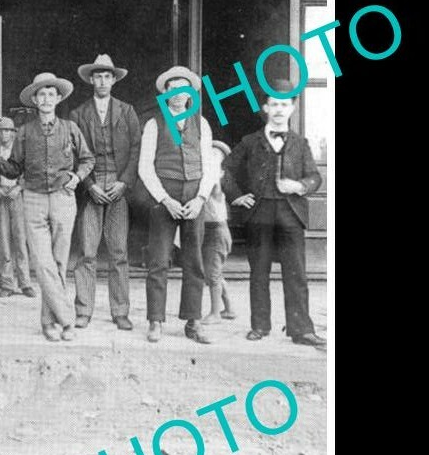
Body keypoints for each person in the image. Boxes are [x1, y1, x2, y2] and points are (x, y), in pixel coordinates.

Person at [0, 72, 94, 342]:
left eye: (51, 94)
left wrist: (77, 177)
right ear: (34, 100)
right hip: (33, 199)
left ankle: (48, 323)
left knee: (58, 263)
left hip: (62, 199)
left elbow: (87, 159)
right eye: (41, 94)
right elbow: (13, 170)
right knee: (42, 263)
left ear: (58, 98)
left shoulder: (70, 129)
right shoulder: (23, 133)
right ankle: (67, 320)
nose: (46, 99)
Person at [221, 85, 326, 348]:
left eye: (284, 105)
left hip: (291, 214)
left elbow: (315, 177)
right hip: (259, 213)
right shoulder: (250, 142)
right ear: (265, 108)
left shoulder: (301, 143)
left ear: (291, 108)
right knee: (259, 272)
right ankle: (259, 325)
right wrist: (237, 196)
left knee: (297, 273)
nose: (279, 110)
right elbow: (226, 169)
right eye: (274, 104)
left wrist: (299, 186)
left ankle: (301, 329)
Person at [138, 65, 217, 345]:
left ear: (190, 94)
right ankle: (155, 321)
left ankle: (193, 321)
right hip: (165, 198)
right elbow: (145, 168)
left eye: (183, 89)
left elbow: (210, 166)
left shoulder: (202, 124)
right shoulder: (153, 124)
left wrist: (200, 199)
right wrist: (165, 200)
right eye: (172, 89)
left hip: (195, 197)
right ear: (165, 94)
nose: (177, 95)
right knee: (158, 260)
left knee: (194, 261)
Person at [69, 53, 141, 332]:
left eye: (106, 76)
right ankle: (83, 310)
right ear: (91, 80)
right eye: (97, 76)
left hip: (119, 187)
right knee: (87, 251)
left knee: (119, 251)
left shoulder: (127, 111)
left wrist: (124, 182)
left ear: (113, 80)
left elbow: (136, 148)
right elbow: (74, 154)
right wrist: (89, 186)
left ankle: (120, 311)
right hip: (92, 185)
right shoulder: (78, 114)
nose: (102, 80)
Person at [0, 117, 34, 298]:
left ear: (13, 133)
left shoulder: (20, 150)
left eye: (8, 131)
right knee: (2, 240)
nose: (4, 134)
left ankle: (25, 282)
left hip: (16, 195)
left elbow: (30, 172)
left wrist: (19, 187)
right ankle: (6, 283)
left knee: (20, 239)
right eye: (1, 131)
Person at [200, 140, 236, 324]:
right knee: (214, 272)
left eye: (217, 157)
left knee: (213, 274)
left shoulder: (216, 184)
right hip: (210, 231)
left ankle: (215, 313)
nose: (212, 160)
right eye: (210, 155)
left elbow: (212, 185)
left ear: (222, 171)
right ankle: (228, 308)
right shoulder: (207, 177)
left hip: (217, 232)